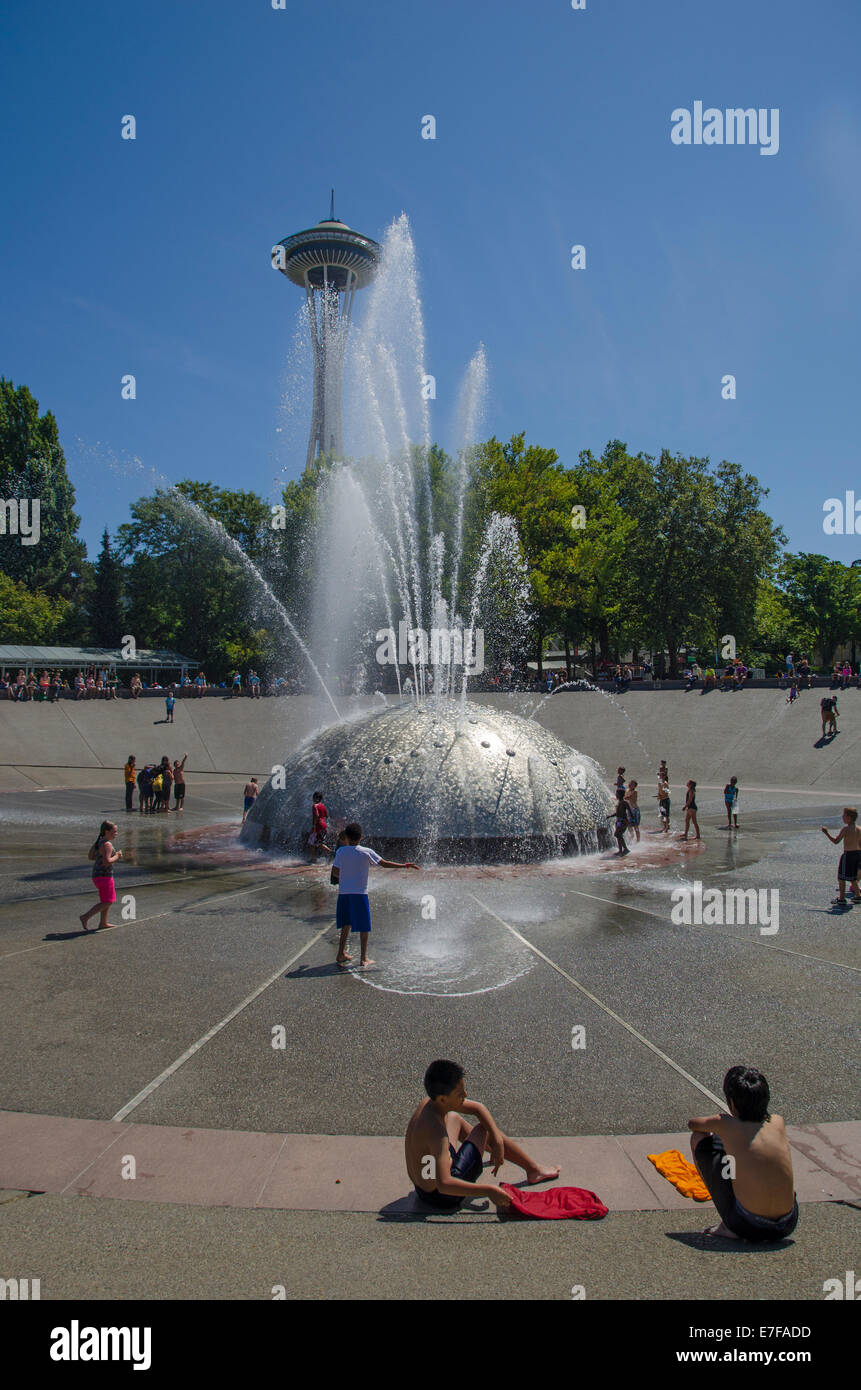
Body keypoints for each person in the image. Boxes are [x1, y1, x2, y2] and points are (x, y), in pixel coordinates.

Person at [405, 1059, 560, 1211]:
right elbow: (444, 1184)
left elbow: (478, 1108)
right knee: (482, 1129)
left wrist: (497, 1141)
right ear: (443, 1099)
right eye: (460, 1094)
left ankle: (527, 1166)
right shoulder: (437, 1134)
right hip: (442, 1196)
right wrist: (488, 1190)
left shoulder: (430, 1104)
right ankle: (533, 1170)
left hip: (423, 1188)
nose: (465, 1095)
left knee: (454, 1117)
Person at [688, 1065, 798, 1242]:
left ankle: (728, 1225)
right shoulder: (778, 1122)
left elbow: (694, 1124)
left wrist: (721, 1122)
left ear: (732, 1103)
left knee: (700, 1139)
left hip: (747, 1225)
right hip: (788, 1222)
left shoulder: (726, 1124)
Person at [331, 821, 419, 968]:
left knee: (346, 924)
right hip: (359, 894)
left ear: (347, 836)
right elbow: (384, 863)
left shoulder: (341, 852)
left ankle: (340, 953)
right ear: (361, 837)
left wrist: (346, 878)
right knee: (364, 926)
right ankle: (364, 958)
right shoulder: (366, 851)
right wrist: (404, 865)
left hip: (344, 893)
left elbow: (335, 872)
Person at [81, 821, 123, 932]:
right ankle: (85, 917)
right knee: (108, 901)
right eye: (114, 831)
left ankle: (103, 922)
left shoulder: (99, 842)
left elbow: (90, 856)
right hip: (105, 876)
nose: (116, 833)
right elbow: (107, 862)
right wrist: (117, 856)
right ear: (106, 831)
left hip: (97, 875)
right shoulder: (107, 845)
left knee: (106, 899)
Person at [821, 808, 861, 907]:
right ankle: (858, 896)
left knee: (841, 877)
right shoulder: (859, 829)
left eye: (844, 815)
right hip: (856, 854)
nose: (842, 817)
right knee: (853, 877)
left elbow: (836, 841)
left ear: (849, 818)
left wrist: (826, 833)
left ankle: (842, 898)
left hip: (847, 855)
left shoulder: (846, 829)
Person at [308, 792, 332, 860]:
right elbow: (327, 816)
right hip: (323, 825)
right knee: (318, 842)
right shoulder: (322, 805)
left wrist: (314, 826)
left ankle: (313, 859)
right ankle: (330, 853)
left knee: (310, 843)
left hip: (318, 826)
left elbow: (316, 815)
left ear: (315, 798)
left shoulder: (315, 806)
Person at [609, 791, 630, 855]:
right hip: (619, 821)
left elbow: (629, 810)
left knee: (617, 834)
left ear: (620, 795)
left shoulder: (624, 803)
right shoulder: (619, 803)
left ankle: (626, 849)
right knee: (618, 835)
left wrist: (631, 819)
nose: (616, 795)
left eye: (617, 794)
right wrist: (610, 816)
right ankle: (620, 850)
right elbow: (618, 813)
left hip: (623, 821)